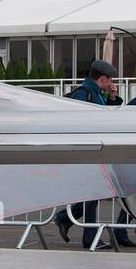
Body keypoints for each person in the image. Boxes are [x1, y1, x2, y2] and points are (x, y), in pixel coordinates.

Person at [56, 60, 116, 249]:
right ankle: (88, 236)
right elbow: (79, 123)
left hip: (93, 152)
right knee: (93, 194)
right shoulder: (85, 94)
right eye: (110, 80)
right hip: (86, 153)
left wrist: (113, 99)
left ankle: (65, 219)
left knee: (93, 195)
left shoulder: (94, 94)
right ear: (103, 78)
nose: (112, 83)